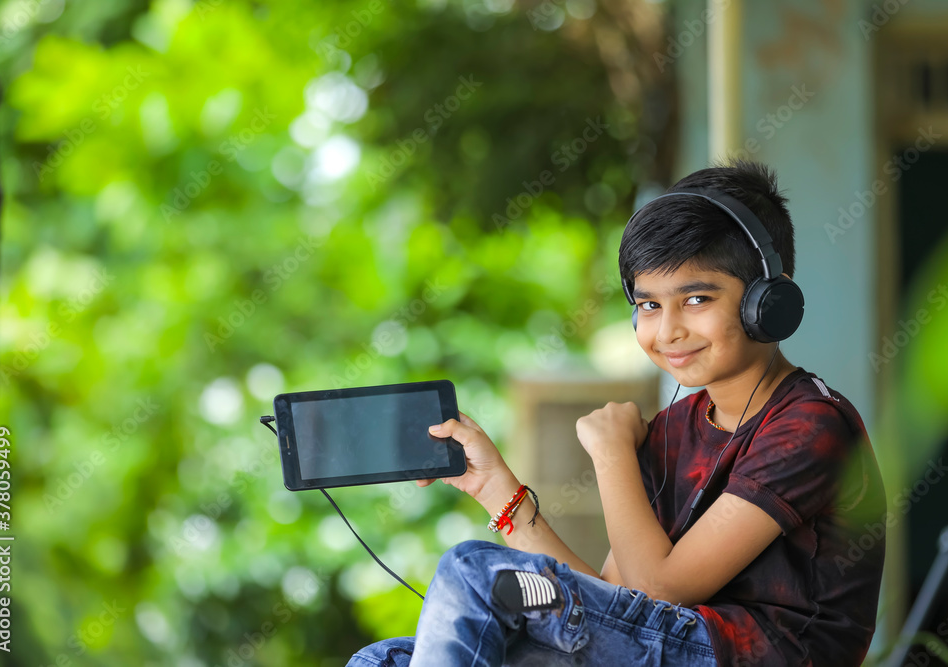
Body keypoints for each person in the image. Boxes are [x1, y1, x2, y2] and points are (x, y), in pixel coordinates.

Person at [346, 159, 886, 667]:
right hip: (671, 645)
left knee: (472, 570)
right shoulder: (676, 427)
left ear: (766, 305)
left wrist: (611, 452)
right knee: (382, 660)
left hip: (745, 657)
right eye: (649, 305)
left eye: (696, 299)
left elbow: (662, 590)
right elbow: (613, 603)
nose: (667, 330)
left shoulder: (809, 425)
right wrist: (495, 489)